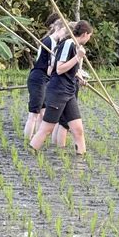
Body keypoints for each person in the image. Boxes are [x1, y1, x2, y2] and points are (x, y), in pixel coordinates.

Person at [30, 20, 94, 155]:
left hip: (69, 91)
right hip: (58, 91)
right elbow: (59, 69)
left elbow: (70, 70)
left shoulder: (76, 46)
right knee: (47, 129)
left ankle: (81, 160)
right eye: (90, 36)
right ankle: (31, 153)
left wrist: (79, 77)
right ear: (85, 34)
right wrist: (78, 57)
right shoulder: (68, 44)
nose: (89, 39)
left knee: (78, 130)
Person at [23, 13, 67, 140]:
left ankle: (37, 139)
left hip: (43, 78)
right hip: (38, 78)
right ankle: (27, 141)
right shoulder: (49, 42)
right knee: (34, 114)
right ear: (58, 28)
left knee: (42, 112)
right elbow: (49, 69)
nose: (65, 35)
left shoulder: (53, 42)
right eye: (65, 30)